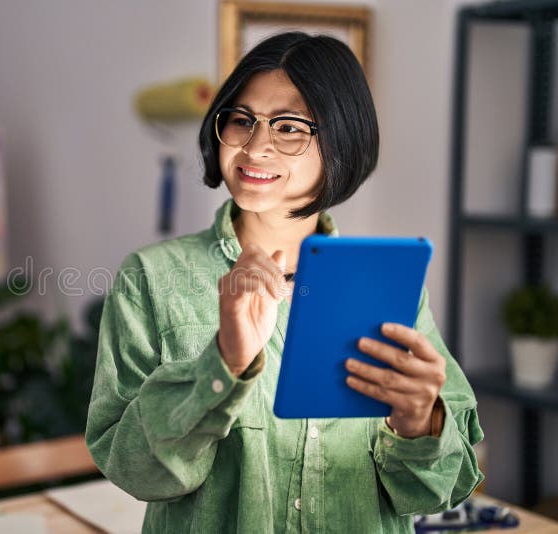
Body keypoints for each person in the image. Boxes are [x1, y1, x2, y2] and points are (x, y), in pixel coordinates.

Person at [85, 32, 483, 533]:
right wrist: (224, 364)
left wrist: (421, 423)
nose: (255, 146)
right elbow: (133, 470)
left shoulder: (385, 286)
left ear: (342, 139)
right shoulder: (151, 278)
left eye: (289, 127)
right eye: (241, 120)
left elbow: (440, 489)